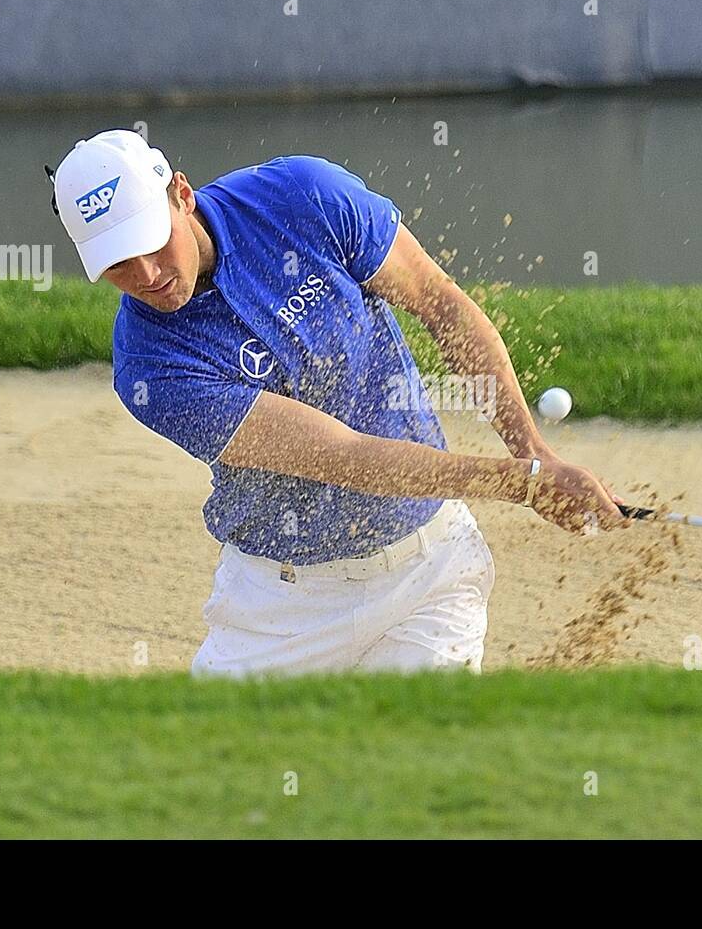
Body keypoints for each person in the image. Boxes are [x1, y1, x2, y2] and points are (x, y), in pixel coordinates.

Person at [49, 129, 625, 677]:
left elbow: (439, 304)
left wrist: (534, 452)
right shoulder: (150, 367)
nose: (147, 274)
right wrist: (520, 483)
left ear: (181, 193)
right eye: (118, 264)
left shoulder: (302, 197)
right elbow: (346, 458)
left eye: (151, 243)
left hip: (428, 573)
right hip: (280, 608)